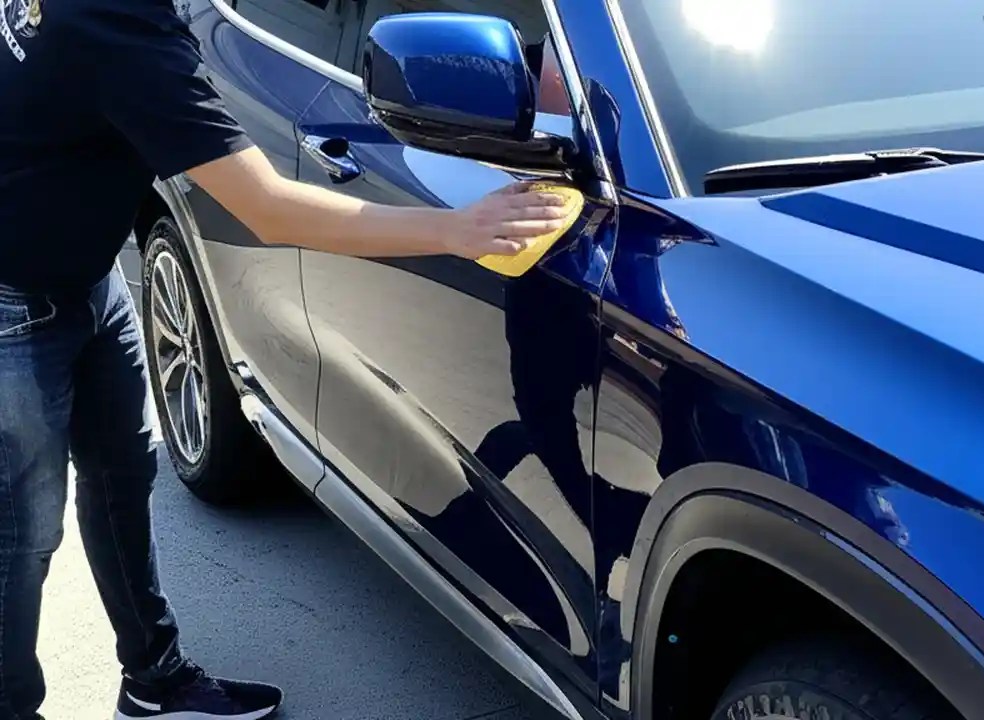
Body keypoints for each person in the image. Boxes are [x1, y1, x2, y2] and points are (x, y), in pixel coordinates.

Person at [0, 0, 573, 716]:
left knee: (122, 474)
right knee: (21, 534)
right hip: (15, 302)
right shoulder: (123, 23)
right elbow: (265, 208)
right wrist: (457, 230)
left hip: (84, 270)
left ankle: (155, 680)